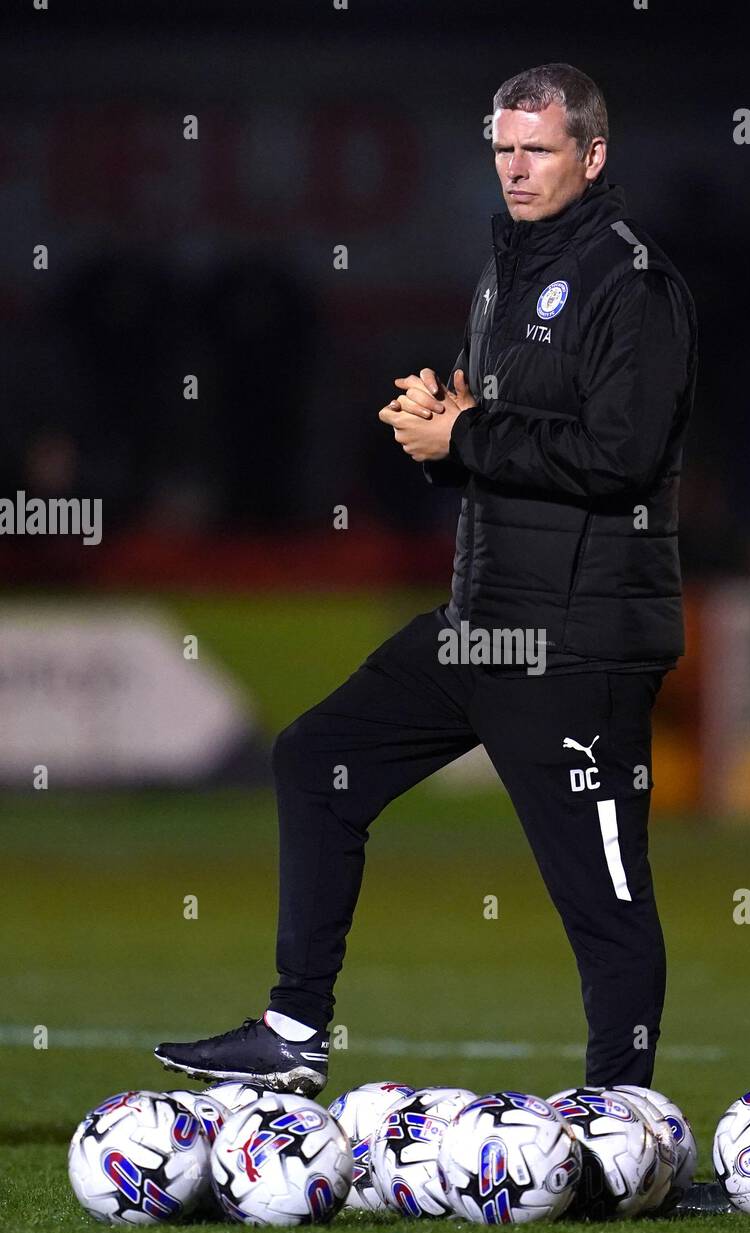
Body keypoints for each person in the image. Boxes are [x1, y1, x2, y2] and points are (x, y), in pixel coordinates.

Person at [155, 62, 698, 1099]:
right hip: (483, 623)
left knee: (603, 898)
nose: (514, 167)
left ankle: (625, 1121)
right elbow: (511, 441)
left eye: (536, 148)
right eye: (501, 147)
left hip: (575, 641)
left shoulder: (632, 284)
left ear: (592, 155)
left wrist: (472, 430)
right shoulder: (505, 267)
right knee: (316, 758)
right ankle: (292, 1030)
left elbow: (621, 458)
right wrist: (444, 431)